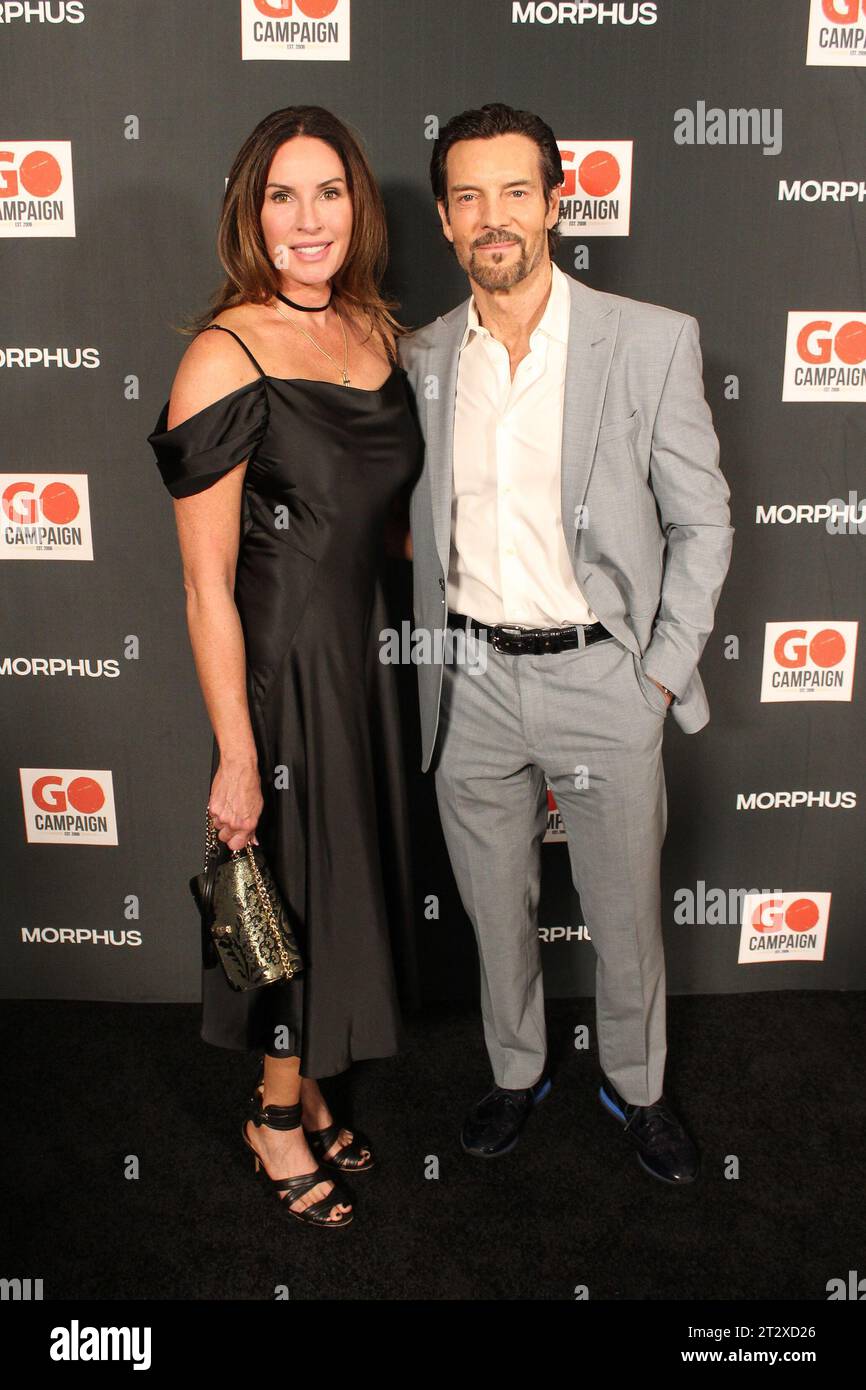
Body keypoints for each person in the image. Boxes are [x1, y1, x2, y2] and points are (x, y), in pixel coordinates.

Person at [398, 103, 734, 1183]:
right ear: (446, 223)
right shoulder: (420, 357)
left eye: (511, 192)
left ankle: (636, 1092)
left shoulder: (646, 339)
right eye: (465, 197)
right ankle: (514, 1071)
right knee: (496, 907)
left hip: (604, 675)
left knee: (626, 914)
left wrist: (658, 672)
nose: (490, 218)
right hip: (471, 682)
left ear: (553, 202)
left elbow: (703, 520)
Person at [147, 106, 423, 1227]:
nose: (306, 220)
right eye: (280, 196)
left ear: (356, 206)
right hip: (281, 668)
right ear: (248, 212)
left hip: (367, 655)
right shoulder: (224, 350)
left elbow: (381, 519)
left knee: (341, 881)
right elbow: (205, 582)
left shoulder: (372, 329)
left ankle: (307, 1081)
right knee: (286, 887)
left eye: (328, 193)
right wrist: (238, 751)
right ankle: (270, 1112)